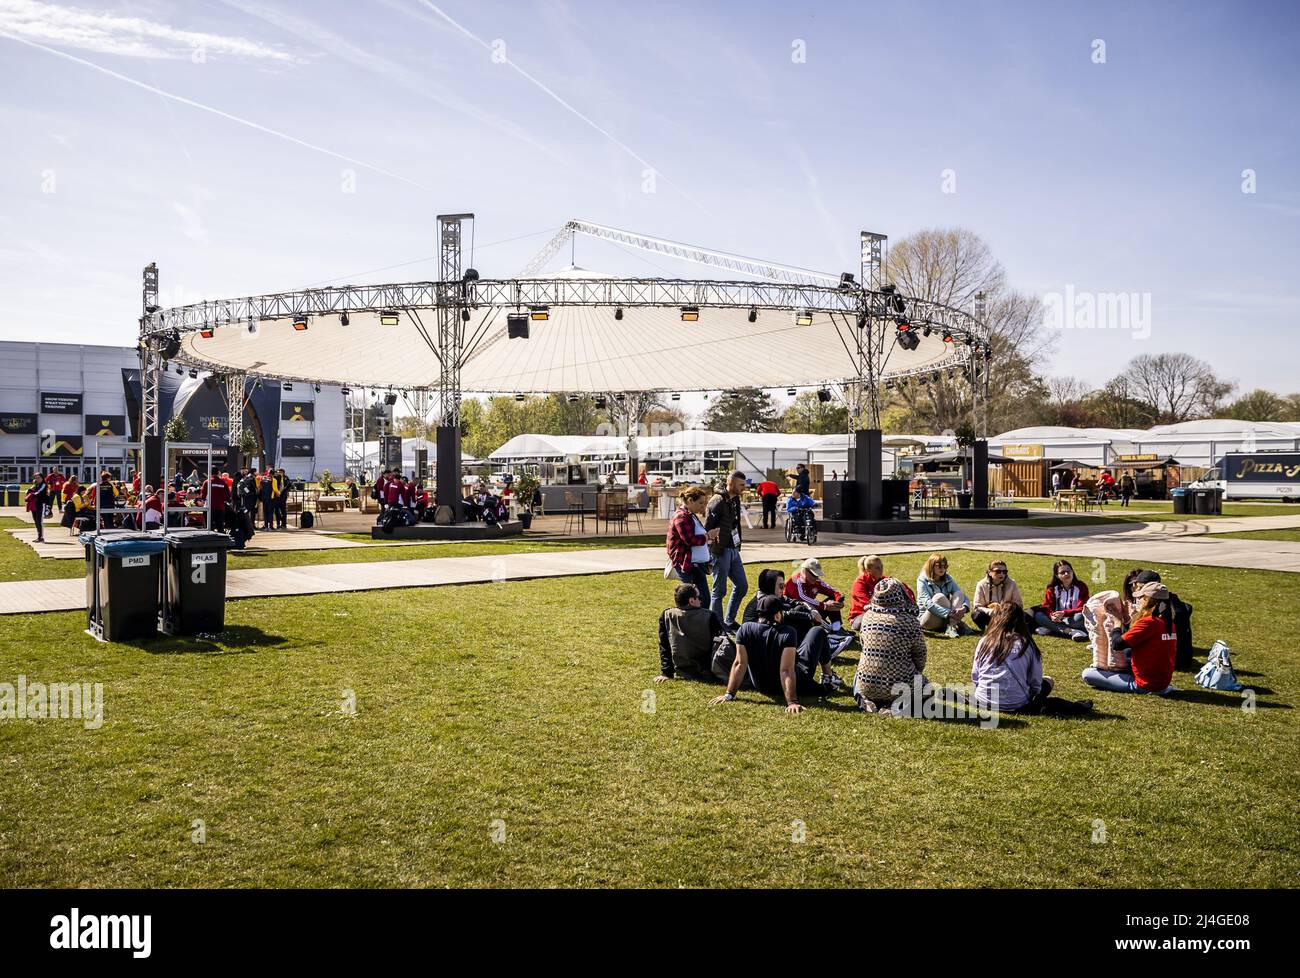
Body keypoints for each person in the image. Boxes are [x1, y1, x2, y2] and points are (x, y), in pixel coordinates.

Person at [710, 596, 833, 712]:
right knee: (817, 631)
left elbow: (739, 663)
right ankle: (828, 677)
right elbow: (786, 670)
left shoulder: (745, 629)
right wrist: (792, 701)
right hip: (790, 683)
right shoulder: (787, 633)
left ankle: (827, 679)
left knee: (800, 651)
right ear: (777, 615)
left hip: (761, 686)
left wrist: (729, 694)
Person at [971, 603, 1093, 715]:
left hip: (983, 699)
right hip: (1015, 703)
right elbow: (1035, 682)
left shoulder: (984, 641)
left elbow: (975, 675)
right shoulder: (1026, 643)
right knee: (1048, 681)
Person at [1082, 581, 1178, 695]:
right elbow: (1136, 636)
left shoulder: (1149, 623)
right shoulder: (1169, 623)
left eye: (1141, 598)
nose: (1138, 601)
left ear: (1148, 600)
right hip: (1163, 683)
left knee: (1088, 673)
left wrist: (1117, 623)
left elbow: (1117, 645)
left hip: (1146, 685)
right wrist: (1127, 618)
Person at [854, 577, 929, 713]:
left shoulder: (867, 617)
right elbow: (920, 654)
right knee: (926, 688)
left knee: (858, 676)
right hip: (900, 684)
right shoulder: (909, 621)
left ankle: (865, 700)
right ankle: (896, 706)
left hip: (868, 684)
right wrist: (917, 672)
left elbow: (864, 646)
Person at [704, 470, 749, 630]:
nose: (744, 487)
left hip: (733, 549)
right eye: (741, 485)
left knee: (742, 586)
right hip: (720, 551)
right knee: (719, 590)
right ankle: (717, 625)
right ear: (730, 484)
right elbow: (707, 527)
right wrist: (711, 549)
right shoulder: (717, 501)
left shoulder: (735, 500)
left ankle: (729, 621)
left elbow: (734, 524)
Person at [655, 583, 724, 683]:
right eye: (699, 597)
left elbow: (664, 646)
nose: (701, 600)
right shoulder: (709, 616)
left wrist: (666, 673)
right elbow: (721, 645)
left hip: (682, 669)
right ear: (691, 601)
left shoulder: (667, 615)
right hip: (708, 669)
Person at [665, 485, 712, 599]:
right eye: (701, 503)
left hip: (696, 566)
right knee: (691, 600)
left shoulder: (691, 516)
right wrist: (708, 536)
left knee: (703, 599)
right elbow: (690, 540)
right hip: (687, 565)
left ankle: (700, 617)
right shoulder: (681, 516)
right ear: (690, 501)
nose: (703, 506)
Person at [916, 553, 974, 637]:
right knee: (939, 597)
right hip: (927, 620)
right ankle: (957, 623)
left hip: (945, 618)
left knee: (959, 593)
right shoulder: (922, 580)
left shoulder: (948, 578)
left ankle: (951, 626)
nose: (943, 569)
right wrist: (949, 613)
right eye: (939, 566)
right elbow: (927, 603)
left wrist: (964, 608)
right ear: (931, 566)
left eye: (945, 566)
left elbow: (963, 596)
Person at [1033, 559, 1090, 641]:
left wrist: (1064, 613)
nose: (1066, 574)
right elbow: (1046, 606)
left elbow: (1083, 608)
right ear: (1057, 575)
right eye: (1062, 572)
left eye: (1068, 571)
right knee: (1038, 615)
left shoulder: (1081, 586)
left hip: (1073, 619)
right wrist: (1052, 615)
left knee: (1080, 617)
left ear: (1072, 572)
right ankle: (1071, 631)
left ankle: (1051, 627)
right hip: (1057, 619)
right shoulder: (1052, 588)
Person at [971, 559, 1024, 632]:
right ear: (989, 572)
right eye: (998, 571)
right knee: (976, 615)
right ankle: (990, 629)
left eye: (1004, 572)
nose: (1002, 574)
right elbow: (977, 606)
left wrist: (1006, 610)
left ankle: (1003, 628)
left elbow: (1018, 604)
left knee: (1021, 615)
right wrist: (991, 612)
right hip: (990, 615)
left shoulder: (1012, 583)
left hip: (1007, 615)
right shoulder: (981, 584)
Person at [849, 555, 885, 630]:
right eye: (877, 568)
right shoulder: (860, 582)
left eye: (881, 566)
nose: (881, 570)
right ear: (868, 570)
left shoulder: (885, 580)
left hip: (881, 612)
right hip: (861, 615)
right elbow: (866, 604)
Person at [25, 474, 49, 543]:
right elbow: (27, 491)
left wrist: (31, 493)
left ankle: (41, 537)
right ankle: (39, 536)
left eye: (38, 478)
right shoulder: (35, 485)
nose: (37, 479)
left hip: (41, 505)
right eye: (36, 478)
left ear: (42, 478)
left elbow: (38, 493)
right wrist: (31, 490)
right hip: (34, 505)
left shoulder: (44, 484)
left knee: (39, 521)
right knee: (36, 521)